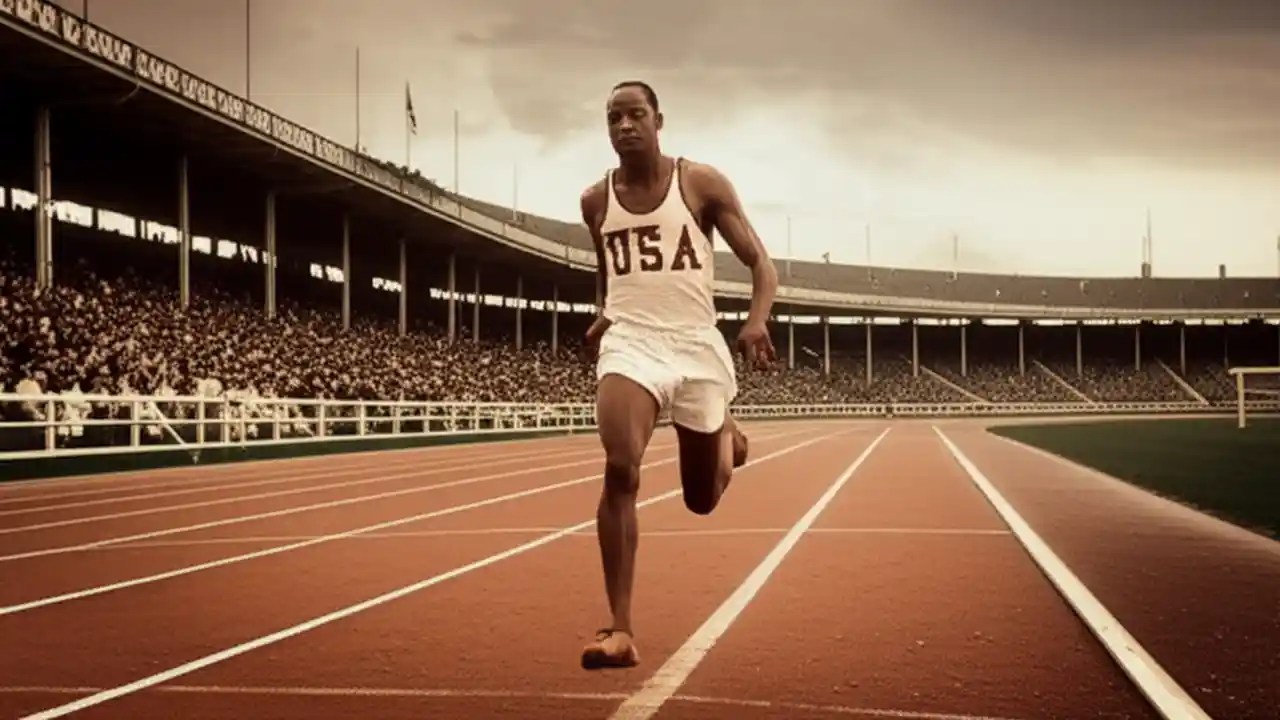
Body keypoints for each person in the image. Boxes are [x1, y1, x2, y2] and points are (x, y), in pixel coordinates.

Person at [578, 80, 779, 669]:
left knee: (700, 499)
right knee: (620, 466)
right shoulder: (595, 201)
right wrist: (603, 314)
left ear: (658, 119)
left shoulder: (700, 184)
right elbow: (607, 265)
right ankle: (619, 629)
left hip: (694, 347)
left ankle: (724, 436)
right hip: (632, 344)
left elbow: (761, 262)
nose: (623, 126)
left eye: (634, 114)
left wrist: (756, 320)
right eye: (613, 117)